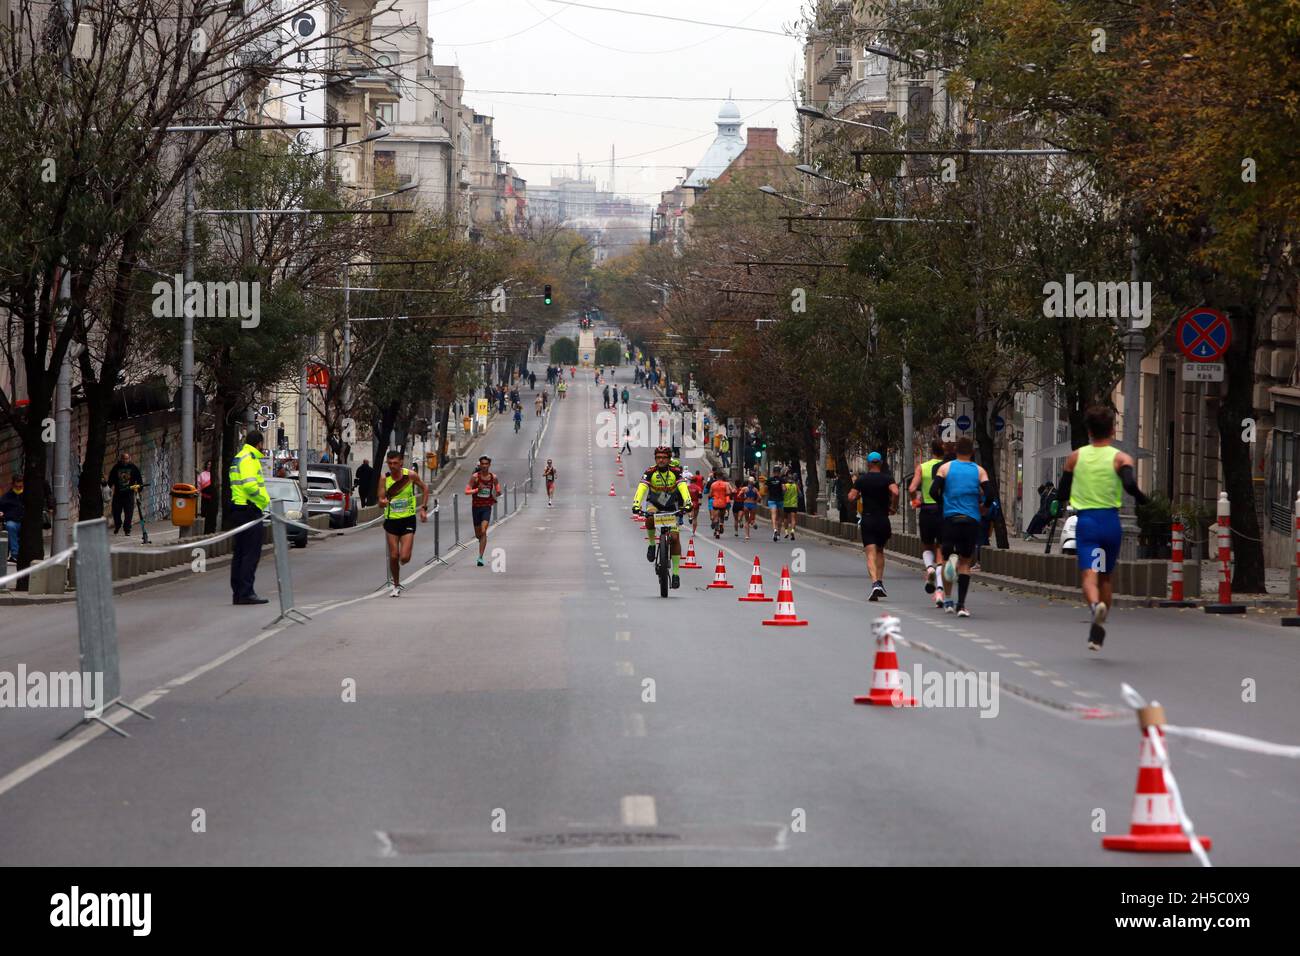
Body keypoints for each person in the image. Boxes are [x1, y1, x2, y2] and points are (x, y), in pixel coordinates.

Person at [1053, 405, 1149, 651]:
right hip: (1111, 523)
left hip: (1087, 523)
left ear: (1088, 430)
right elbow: (1129, 485)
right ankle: (1098, 632)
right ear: (1112, 429)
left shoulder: (1076, 457)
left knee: (1089, 575)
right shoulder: (1120, 458)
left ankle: (1095, 607)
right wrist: (1143, 499)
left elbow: (1062, 492)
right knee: (1106, 576)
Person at [930, 436, 991, 618]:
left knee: (947, 558)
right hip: (971, 519)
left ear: (956, 451)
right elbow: (990, 494)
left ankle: (947, 599)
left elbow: (933, 491)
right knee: (965, 562)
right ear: (972, 452)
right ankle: (961, 605)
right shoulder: (980, 471)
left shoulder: (945, 468)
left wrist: (944, 502)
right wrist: (983, 508)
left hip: (950, 518)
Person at [631, 446, 692, 589]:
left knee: (675, 538)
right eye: (658, 457)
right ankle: (652, 545)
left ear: (669, 459)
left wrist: (688, 503)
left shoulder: (676, 472)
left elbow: (683, 487)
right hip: (654, 503)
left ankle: (676, 574)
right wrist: (636, 504)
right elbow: (641, 489)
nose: (661, 460)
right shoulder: (650, 472)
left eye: (664, 457)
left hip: (670, 506)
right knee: (650, 517)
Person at [848, 452, 899, 601]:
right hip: (883, 519)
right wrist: (893, 506)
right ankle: (880, 582)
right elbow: (895, 491)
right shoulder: (887, 478)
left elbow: (851, 496)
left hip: (868, 519)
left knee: (870, 552)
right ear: (881, 463)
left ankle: (875, 583)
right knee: (880, 551)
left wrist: (857, 495)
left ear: (869, 463)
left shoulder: (862, 480)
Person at [379, 449, 429, 597]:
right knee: (394, 556)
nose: (392, 466)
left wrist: (424, 509)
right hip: (391, 520)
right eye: (390, 463)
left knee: (404, 557)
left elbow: (425, 488)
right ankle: (396, 585)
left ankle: (400, 568)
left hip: (408, 518)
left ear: (401, 462)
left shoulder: (410, 476)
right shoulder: (384, 479)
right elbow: (380, 501)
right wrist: (383, 501)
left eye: (395, 463)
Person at [228, 430, 270, 605]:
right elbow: (251, 486)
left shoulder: (239, 456)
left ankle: (238, 592)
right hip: (250, 509)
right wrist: (265, 500)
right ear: (259, 443)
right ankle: (246, 592)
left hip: (239, 508)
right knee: (250, 554)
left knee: (240, 553)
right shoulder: (249, 459)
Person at [909, 438, 949, 609]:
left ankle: (929, 569)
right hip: (944, 511)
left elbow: (911, 489)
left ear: (931, 451)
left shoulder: (922, 467)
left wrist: (915, 501)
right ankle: (939, 590)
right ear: (944, 452)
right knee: (941, 550)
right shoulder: (949, 468)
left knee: (927, 546)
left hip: (926, 510)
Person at [465, 456, 502, 567]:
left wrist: (498, 492)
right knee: (478, 534)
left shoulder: (493, 477)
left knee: (483, 530)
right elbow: (466, 491)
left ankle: (480, 557)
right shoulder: (475, 478)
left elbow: (497, 488)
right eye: (483, 464)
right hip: (476, 507)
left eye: (487, 464)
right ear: (480, 465)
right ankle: (481, 540)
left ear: (489, 465)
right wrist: (477, 490)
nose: (485, 466)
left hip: (486, 507)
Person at [104, 452, 143, 536]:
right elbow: (111, 479)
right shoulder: (116, 468)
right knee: (116, 512)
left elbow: (139, 480)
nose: (125, 460)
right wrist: (108, 487)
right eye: (123, 459)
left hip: (129, 494)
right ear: (121, 459)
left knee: (129, 513)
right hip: (118, 494)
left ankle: (127, 529)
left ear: (129, 459)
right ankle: (117, 525)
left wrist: (139, 489)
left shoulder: (133, 468)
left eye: (126, 459)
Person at [0, 474, 24, 566]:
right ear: (13, 485)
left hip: (24, 521)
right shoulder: (7, 497)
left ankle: (17, 554)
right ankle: (15, 554)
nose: (18, 488)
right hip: (12, 521)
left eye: (20, 486)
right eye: (16, 486)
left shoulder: (27, 496)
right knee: (10, 526)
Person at [708, 469, 732, 539]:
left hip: (715, 503)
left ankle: (717, 531)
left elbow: (710, 495)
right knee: (722, 517)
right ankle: (721, 524)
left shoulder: (713, 484)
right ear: (722, 476)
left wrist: (714, 495)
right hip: (723, 503)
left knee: (716, 518)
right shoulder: (725, 484)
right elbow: (728, 493)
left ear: (716, 476)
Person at [197, 459, 217, 534]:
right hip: (205, 498)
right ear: (206, 465)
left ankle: (212, 530)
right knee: (205, 515)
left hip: (213, 499)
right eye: (208, 464)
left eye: (211, 464)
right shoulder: (202, 474)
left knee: (212, 516)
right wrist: (198, 492)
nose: (209, 466)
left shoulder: (214, 475)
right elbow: (199, 485)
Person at [765, 467, 785, 542]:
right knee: (780, 517)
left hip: (771, 499)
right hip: (780, 500)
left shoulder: (769, 480)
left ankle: (775, 529)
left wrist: (770, 490)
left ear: (773, 472)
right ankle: (779, 533)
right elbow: (784, 489)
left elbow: (765, 489)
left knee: (773, 515)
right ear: (779, 472)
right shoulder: (781, 480)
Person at [782, 468, 800, 540]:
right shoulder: (795, 486)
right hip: (794, 504)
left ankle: (786, 532)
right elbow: (800, 494)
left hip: (786, 504)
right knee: (793, 519)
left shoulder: (785, 486)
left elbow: (782, 493)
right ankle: (792, 530)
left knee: (785, 518)